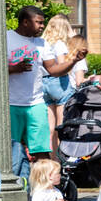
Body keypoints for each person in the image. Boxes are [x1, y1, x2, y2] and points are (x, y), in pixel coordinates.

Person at [7, 6, 83, 167]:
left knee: (41, 149)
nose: (42, 26)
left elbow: (54, 70)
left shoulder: (42, 43)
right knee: (12, 149)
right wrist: (14, 68)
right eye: (38, 22)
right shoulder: (6, 38)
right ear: (25, 22)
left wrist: (73, 61)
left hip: (36, 102)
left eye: (43, 23)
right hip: (11, 103)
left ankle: (46, 186)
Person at [41, 14, 80, 154]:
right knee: (61, 126)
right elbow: (62, 66)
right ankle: (61, 158)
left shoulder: (42, 43)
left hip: (43, 83)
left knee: (49, 128)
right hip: (59, 83)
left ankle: (51, 158)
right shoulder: (59, 44)